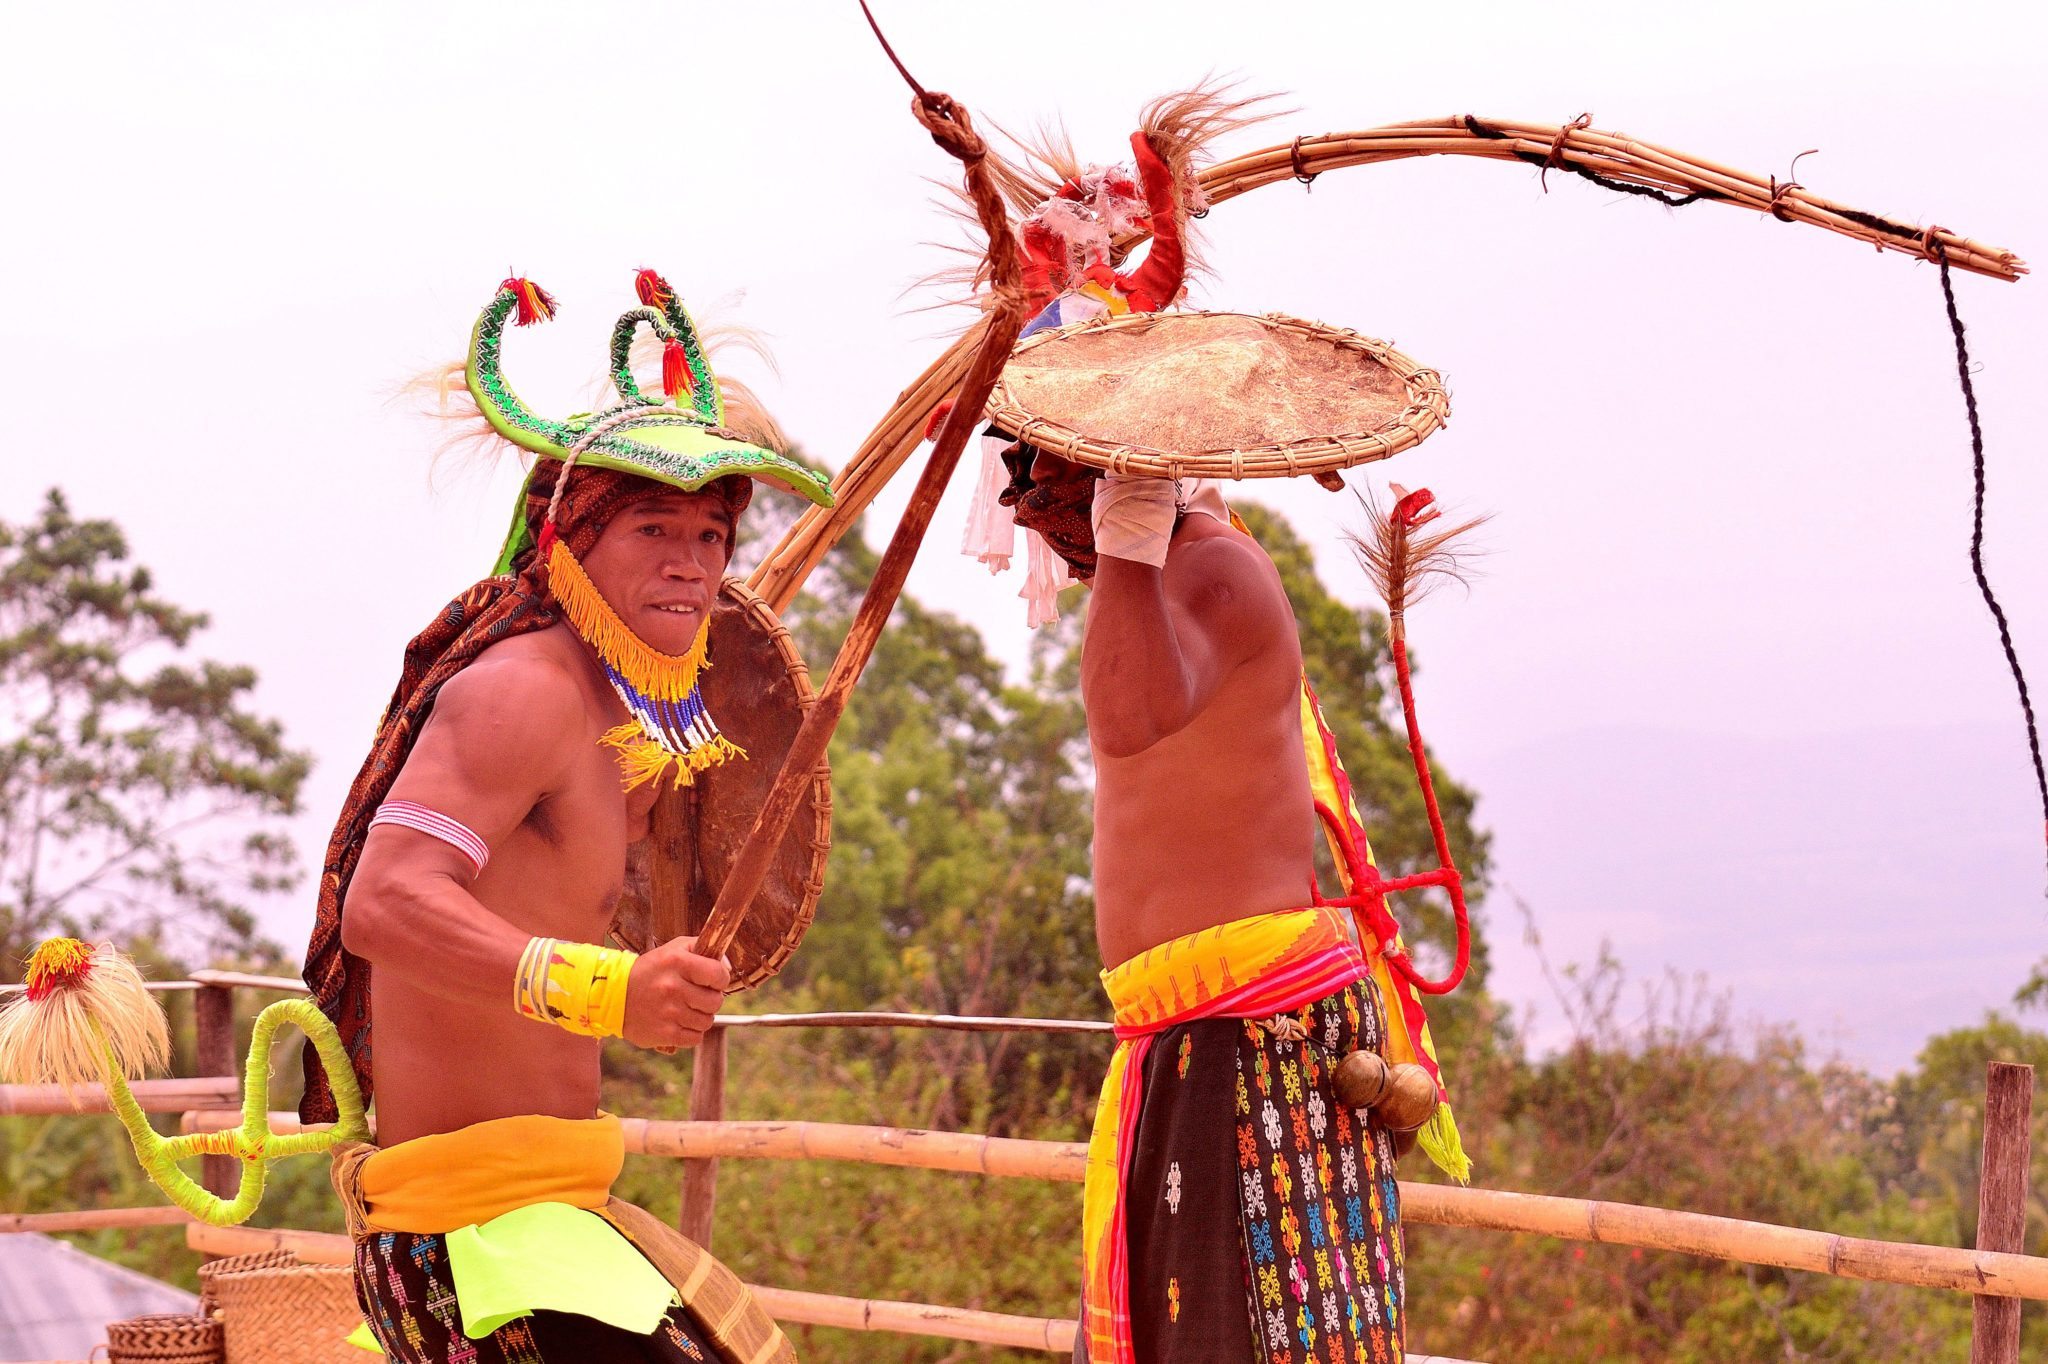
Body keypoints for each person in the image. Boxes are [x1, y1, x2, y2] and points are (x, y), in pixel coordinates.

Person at [300, 269, 835, 1364]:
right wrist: (611, 989)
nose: (690, 562)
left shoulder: (636, 711)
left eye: (708, 536)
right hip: (471, 1236)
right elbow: (387, 903)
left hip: (555, 1208)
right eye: (652, 529)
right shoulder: (524, 690)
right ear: (567, 542)